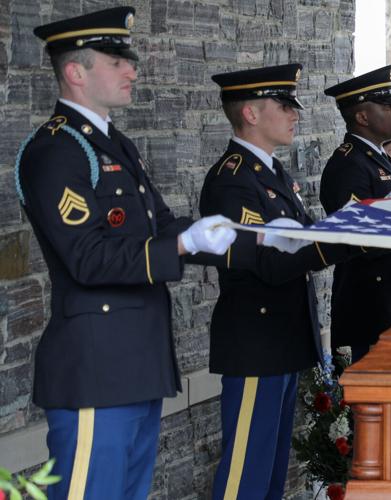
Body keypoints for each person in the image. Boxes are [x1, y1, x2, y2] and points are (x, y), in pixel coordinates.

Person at [15, 7, 240, 498]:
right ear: (76, 72)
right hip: (97, 372)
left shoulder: (114, 144)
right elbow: (88, 259)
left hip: (135, 366)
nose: (131, 70)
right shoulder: (57, 150)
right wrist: (183, 243)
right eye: (116, 61)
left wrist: (246, 235)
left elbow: (161, 225)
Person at [199, 64, 366, 499]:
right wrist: (343, 236)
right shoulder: (232, 180)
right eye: (284, 105)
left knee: (270, 476)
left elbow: (306, 239)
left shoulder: (272, 174)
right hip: (256, 344)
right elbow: (268, 263)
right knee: (245, 477)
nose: (295, 114)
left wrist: (349, 232)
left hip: (282, 339)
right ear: (251, 114)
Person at [320, 65, 391, 362]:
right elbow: (357, 234)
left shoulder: (377, 157)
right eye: (387, 106)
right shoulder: (349, 164)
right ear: (362, 117)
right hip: (373, 309)